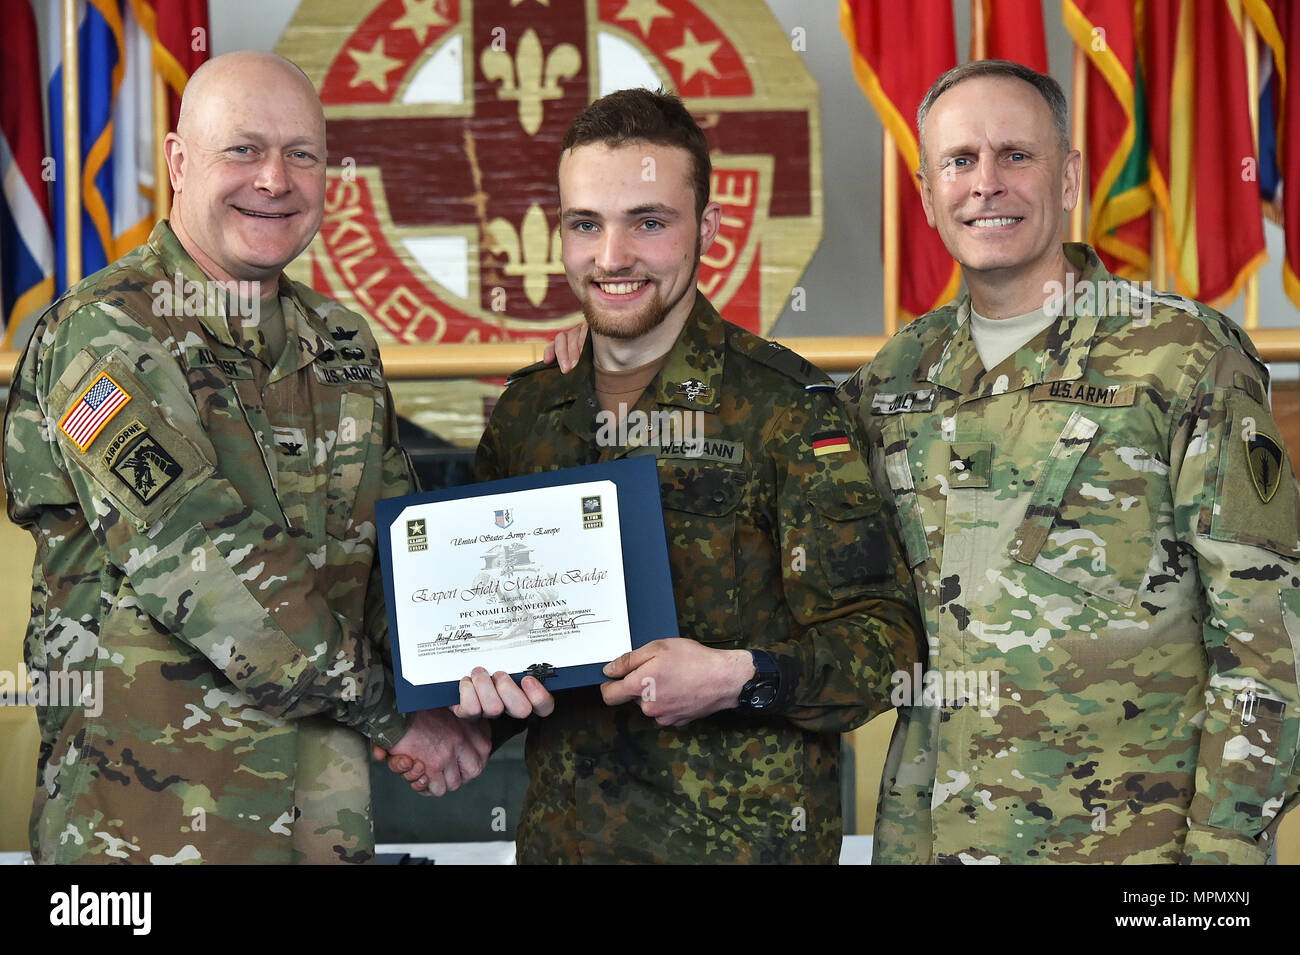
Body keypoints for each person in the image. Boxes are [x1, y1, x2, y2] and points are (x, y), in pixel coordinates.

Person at [2, 50, 487, 865]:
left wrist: (483, 681)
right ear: (178, 162)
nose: (275, 179)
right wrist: (401, 717)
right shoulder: (105, 334)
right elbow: (211, 568)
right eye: (244, 149)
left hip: (321, 831)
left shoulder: (339, 342)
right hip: (143, 841)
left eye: (303, 153)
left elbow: (402, 551)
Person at [835, 60, 1300, 864]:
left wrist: (1225, 854)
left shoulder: (1181, 356)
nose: (986, 183)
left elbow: (1269, 635)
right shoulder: (897, 375)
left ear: (1070, 178)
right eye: (960, 161)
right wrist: (608, 360)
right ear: (926, 194)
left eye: (1016, 154)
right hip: (932, 841)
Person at [444, 88, 922, 864]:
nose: (612, 258)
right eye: (585, 224)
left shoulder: (787, 409)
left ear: (709, 228)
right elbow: (515, 647)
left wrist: (741, 676)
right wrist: (474, 710)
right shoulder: (529, 414)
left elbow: (888, 652)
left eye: (649, 222)